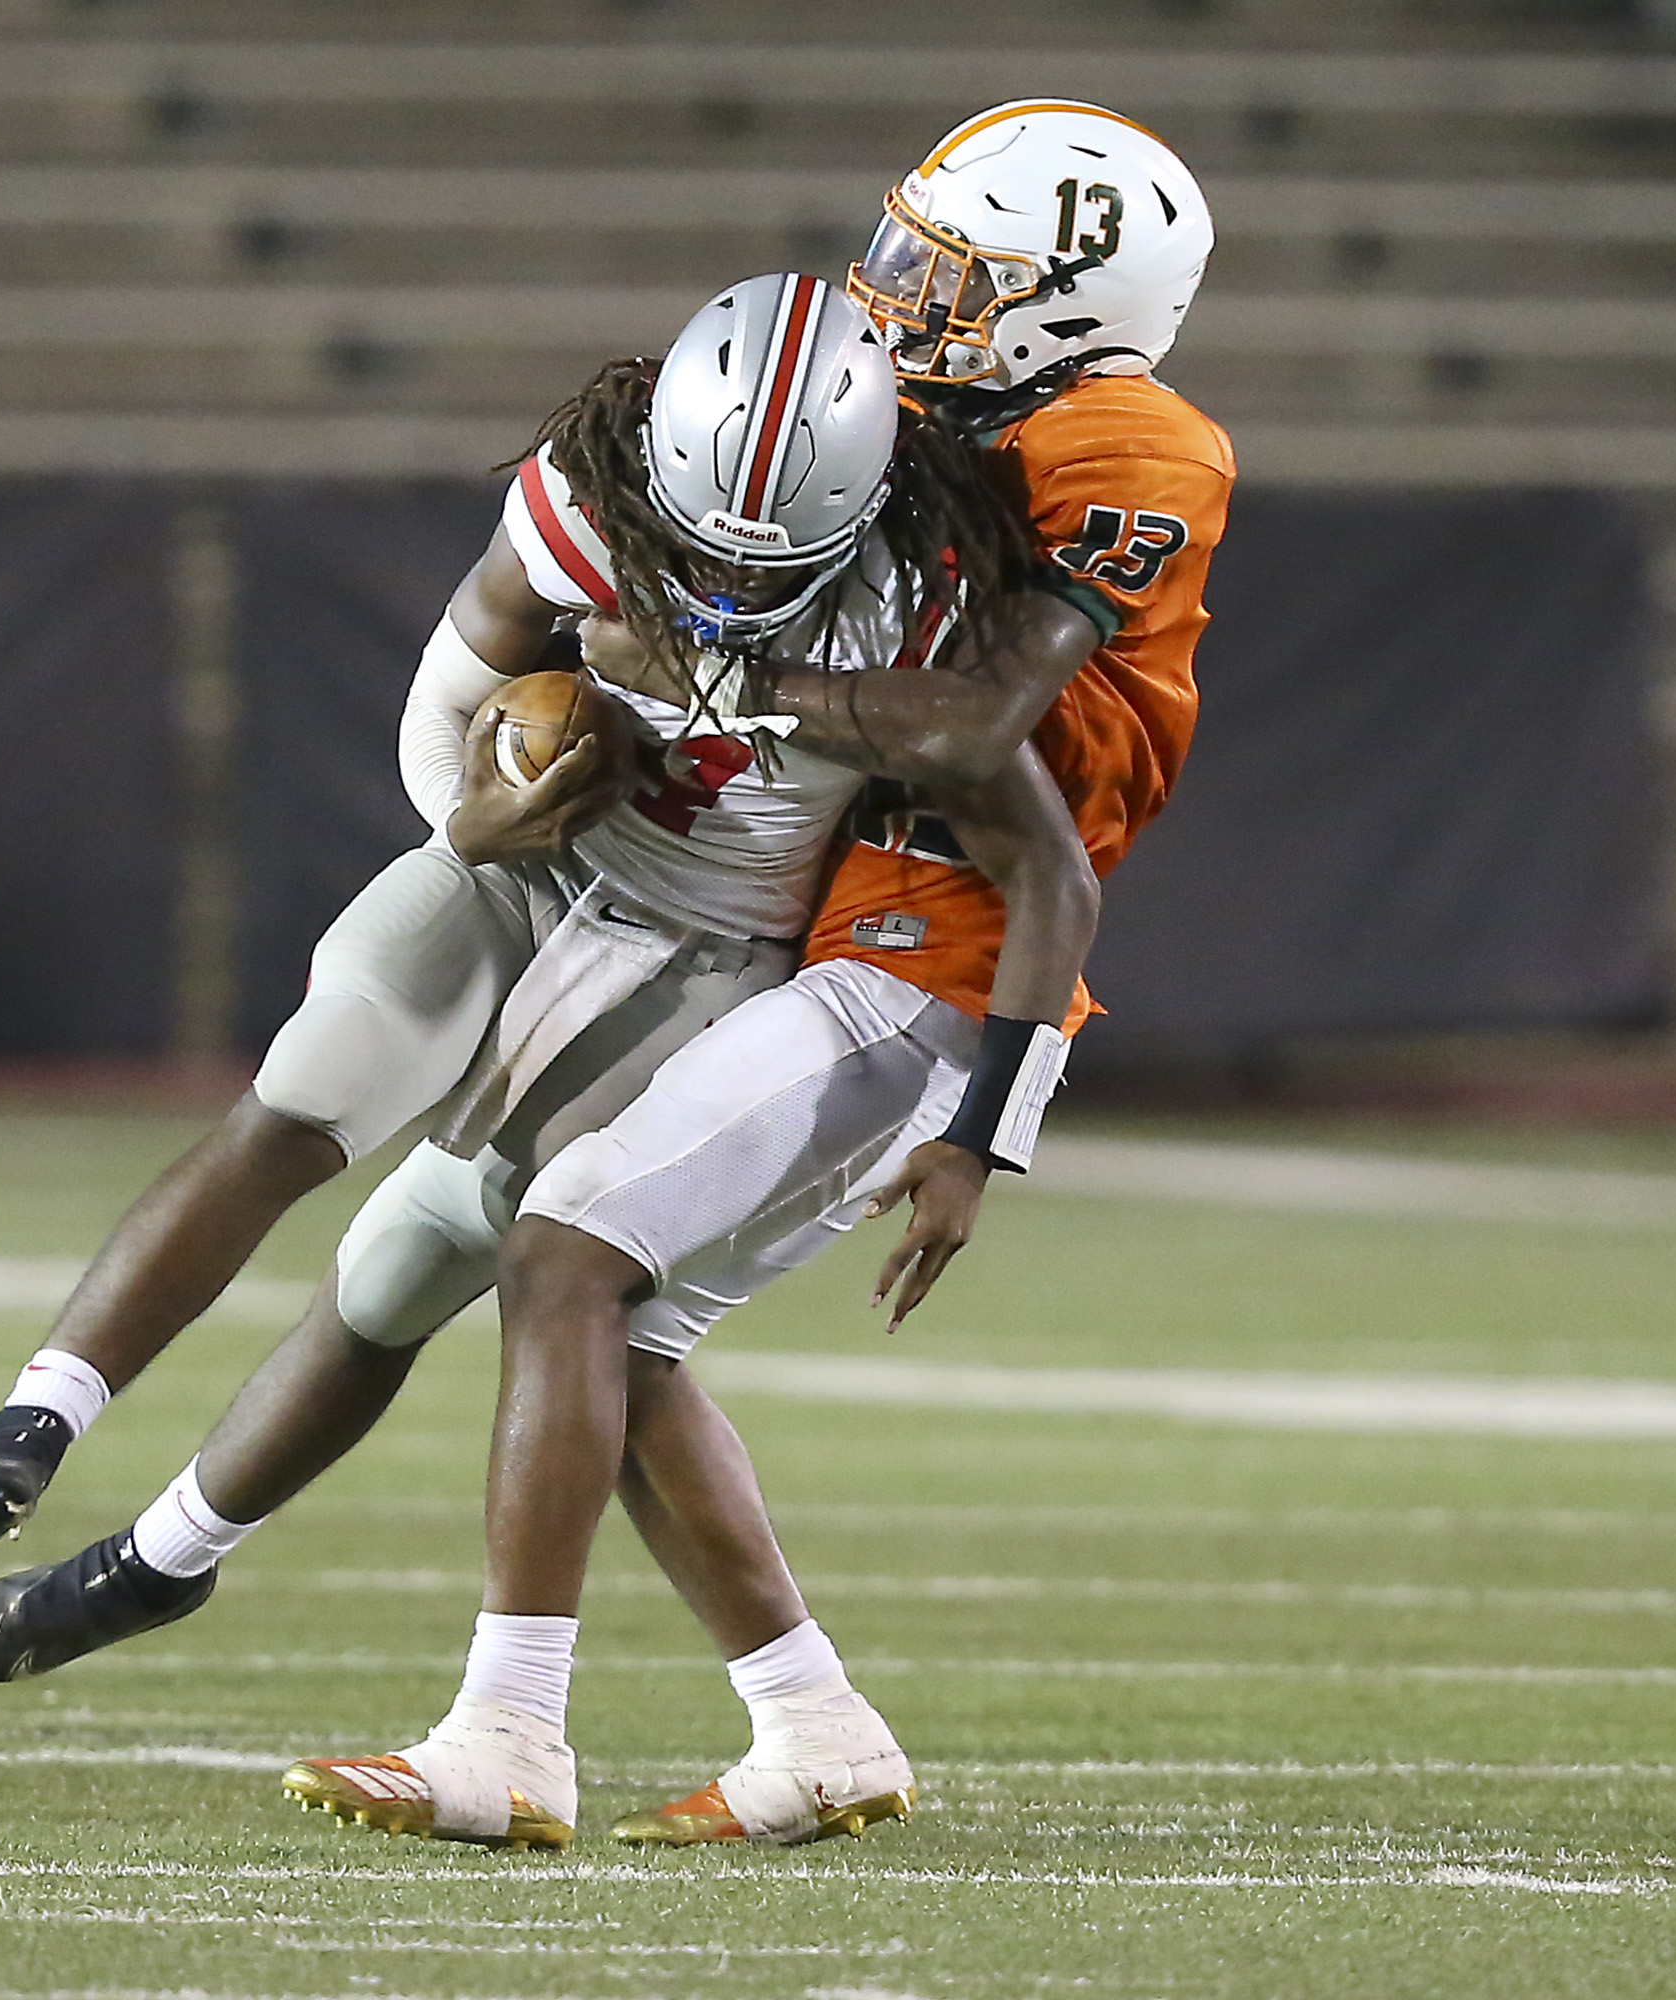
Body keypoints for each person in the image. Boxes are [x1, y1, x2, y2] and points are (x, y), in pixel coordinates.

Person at [0, 283, 1082, 1837]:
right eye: (704, 541)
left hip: (710, 952)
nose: (731, 578)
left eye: (772, 557)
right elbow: (448, 707)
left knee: (434, 1263)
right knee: (312, 1082)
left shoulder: (921, 605)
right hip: (528, 866)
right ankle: (39, 1410)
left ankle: (164, 1568)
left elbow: (1045, 862)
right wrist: (471, 820)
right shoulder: (590, 503)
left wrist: (991, 1126)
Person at [283, 98, 1231, 1850]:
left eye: (957, 278)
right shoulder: (941, 414)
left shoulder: (1133, 449)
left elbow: (979, 733)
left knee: (564, 1248)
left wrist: (709, 668)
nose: (902, 299)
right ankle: (816, 1731)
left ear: (1075, 310)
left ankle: (507, 1737)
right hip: (851, 927)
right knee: (620, 1333)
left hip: (932, 956)